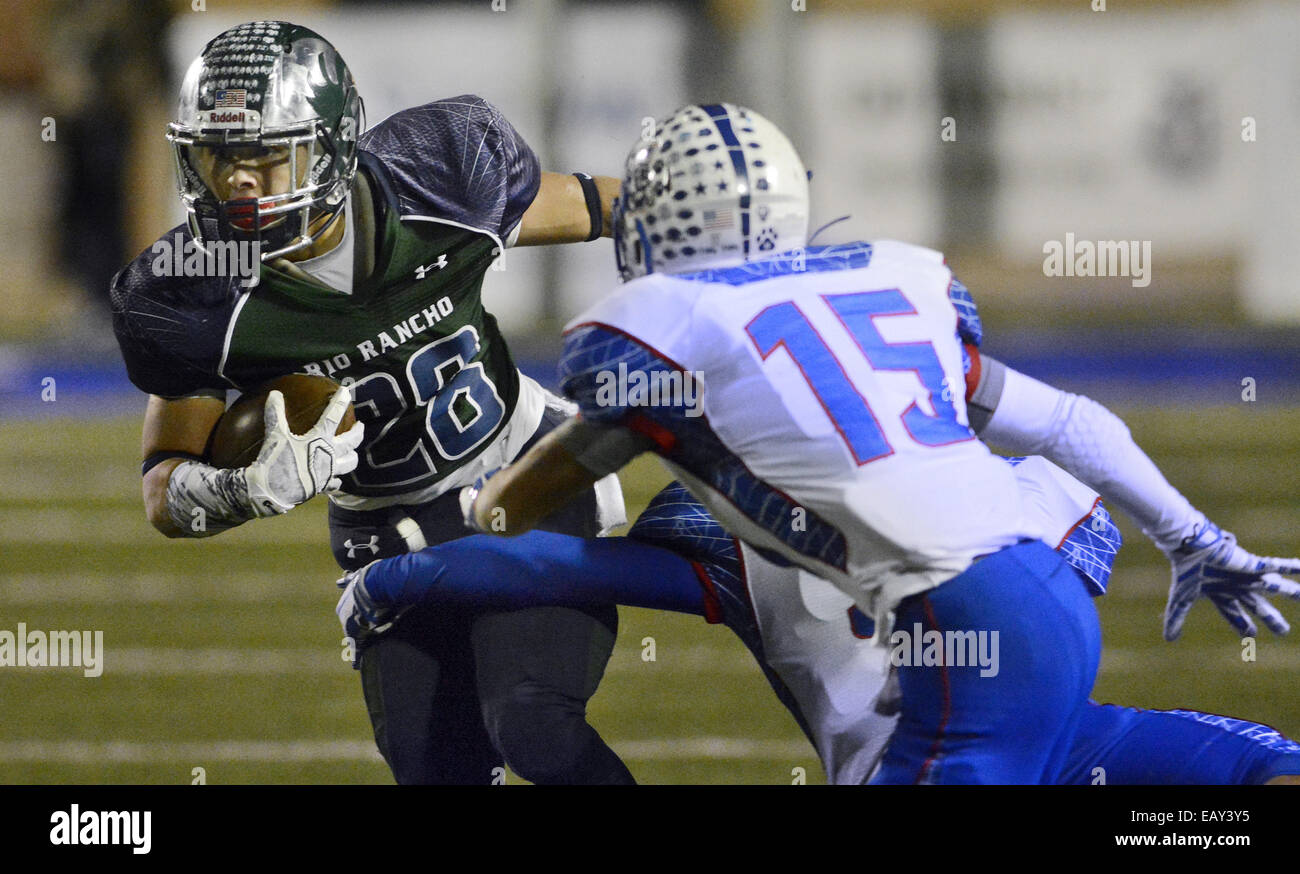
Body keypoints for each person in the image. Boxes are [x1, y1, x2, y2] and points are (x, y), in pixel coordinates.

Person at [457, 103, 1107, 783]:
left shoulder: (687, 480)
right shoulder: (1005, 480)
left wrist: (417, 564)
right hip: (1025, 723)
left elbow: (558, 549)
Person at [110, 20, 634, 784]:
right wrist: (237, 490)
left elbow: (591, 204)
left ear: (329, 146)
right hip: (386, 536)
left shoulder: (437, 176)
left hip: (528, 479)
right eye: (218, 159)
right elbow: (164, 481)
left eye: (264, 155)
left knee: (531, 722)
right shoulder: (187, 292)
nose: (239, 184)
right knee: (434, 768)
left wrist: (714, 224)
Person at [340, 462, 1300, 784]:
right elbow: (548, 560)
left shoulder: (993, 476)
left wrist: (395, 580)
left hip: (1043, 744)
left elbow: (550, 559)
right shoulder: (744, 527)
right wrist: (400, 577)